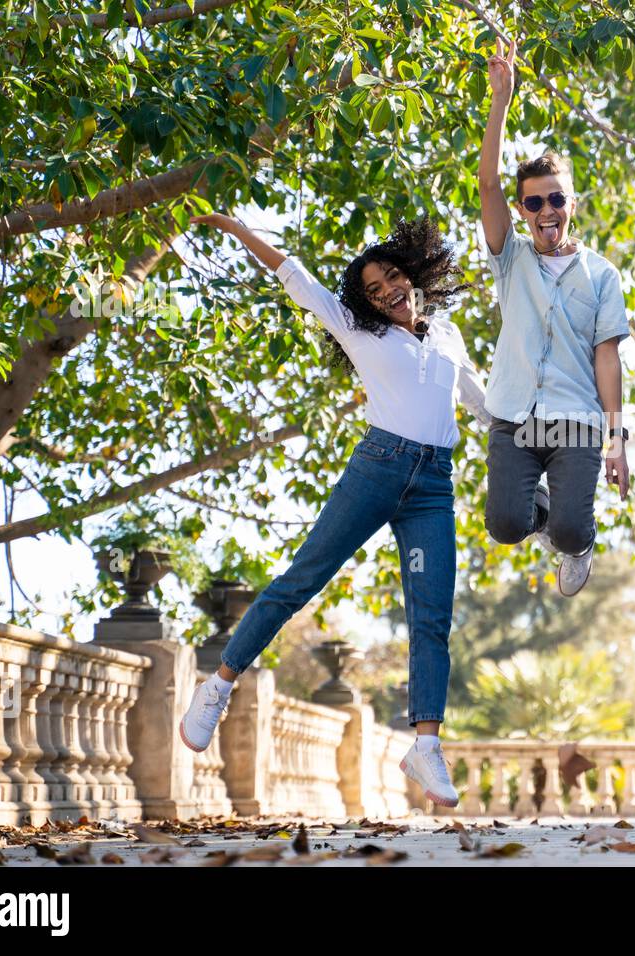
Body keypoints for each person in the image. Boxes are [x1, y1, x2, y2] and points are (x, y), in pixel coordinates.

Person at [175, 213, 493, 808]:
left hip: (433, 484)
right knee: (301, 580)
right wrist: (233, 226)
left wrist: (541, 466)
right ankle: (218, 685)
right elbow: (294, 275)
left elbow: (482, 405)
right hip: (378, 469)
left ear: (413, 275)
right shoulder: (359, 330)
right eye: (374, 290)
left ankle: (425, 745)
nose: (388, 292)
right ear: (364, 304)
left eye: (393, 278)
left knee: (431, 615)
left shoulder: (447, 333)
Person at [478, 39, 631, 596]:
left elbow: (607, 358)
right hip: (515, 417)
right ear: (523, 211)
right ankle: (537, 509)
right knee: (506, 525)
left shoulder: (602, 275)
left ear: (571, 205)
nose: (547, 211)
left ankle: (577, 546)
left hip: (576, 420)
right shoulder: (510, 258)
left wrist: (616, 440)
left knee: (569, 531)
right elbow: (488, 184)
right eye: (535, 203)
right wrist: (502, 100)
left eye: (556, 200)